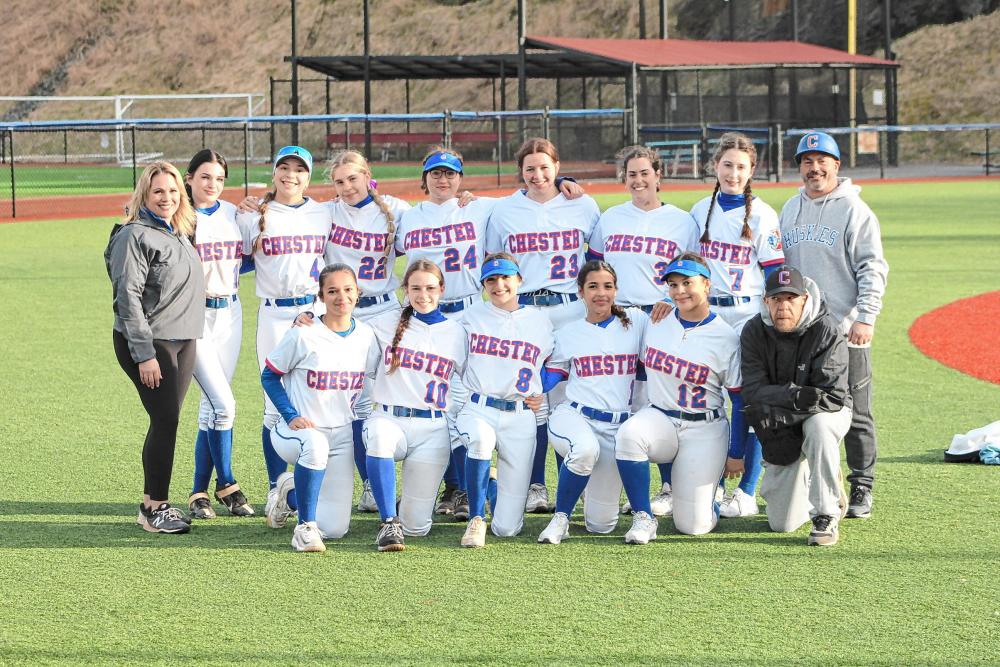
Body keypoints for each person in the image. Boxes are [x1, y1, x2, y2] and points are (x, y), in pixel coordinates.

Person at [485, 138, 600, 514]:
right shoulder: (504, 211)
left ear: (557, 166)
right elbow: (494, 261)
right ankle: (535, 485)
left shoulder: (582, 204)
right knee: (530, 401)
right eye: (530, 168)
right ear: (520, 171)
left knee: (573, 400)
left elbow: (596, 260)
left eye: (544, 167)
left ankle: (576, 478)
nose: (538, 175)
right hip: (527, 310)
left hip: (569, 308)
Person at [779, 131, 889, 519]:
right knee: (804, 409)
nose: (814, 168)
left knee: (857, 410)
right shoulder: (790, 209)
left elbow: (872, 267)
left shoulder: (854, 210)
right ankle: (814, 484)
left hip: (844, 329)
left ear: (836, 165)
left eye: (822, 160)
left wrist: (866, 316)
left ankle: (862, 484)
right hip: (800, 333)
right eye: (807, 161)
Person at [589, 144, 699, 518]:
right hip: (621, 317)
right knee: (623, 399)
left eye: (644, 173)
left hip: (659, 316)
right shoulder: (610, 219)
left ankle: (669, 487)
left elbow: (693, 274)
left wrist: (676, 300)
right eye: (631, 174)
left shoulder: (681, 221)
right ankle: (628, 487)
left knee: (662, 399)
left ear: (658, 175)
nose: (638, 180)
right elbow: (596, 269)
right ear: (624, 179)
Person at [614, 252, 746, 544]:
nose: (679, 290)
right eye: (673, 285)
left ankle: (708, 491)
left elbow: (738, 399)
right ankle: (643, 517)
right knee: (628, 435)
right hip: (660, 416)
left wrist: (736, 453)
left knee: (693, 526)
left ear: (707, 285)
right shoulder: (656, 320)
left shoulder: (725, 337)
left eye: (688, 283)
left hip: (704, 428)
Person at [690, 132, 786, 519]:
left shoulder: (763, 214)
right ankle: (709, 486)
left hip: (747, 313)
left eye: (741, 167)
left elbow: (775, 271)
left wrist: (772, 322)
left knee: (751, 401)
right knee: (710, 399)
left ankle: (747, 490)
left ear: (752, 171)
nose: (733, 173)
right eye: (727, 165)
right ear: (715, 166)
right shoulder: (700, 209)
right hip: (709, 313)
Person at [106, 161, 205, 534]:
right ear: (145, 194)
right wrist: (144, 353)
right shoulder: (134, 235)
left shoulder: (180, 231)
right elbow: (127, 298)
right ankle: (156, 508)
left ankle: (150, 504)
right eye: (158, 191)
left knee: (166, 421)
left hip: (183, 340)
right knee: (167, 419)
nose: (167, 197)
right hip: (152, 341)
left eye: (173, 190)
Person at [238, 145, 333, 512]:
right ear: (273, 171)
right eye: (284, 167)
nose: (291, 175)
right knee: (273, 407)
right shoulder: (253, 215)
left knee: (316, 399)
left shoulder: (323, 213)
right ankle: (277, 487)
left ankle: (313, 477)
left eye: (299, 169)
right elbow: (239, 260)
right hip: (274, 315)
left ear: (308, 176)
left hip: (313, 312)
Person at [261, 264, 381, 552]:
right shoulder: (303, 333)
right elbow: (269, 375)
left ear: (358, 292)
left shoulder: (366, 336)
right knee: (314, 444)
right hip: (296, 431)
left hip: (340, 435)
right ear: (321, 296)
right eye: (333, 291)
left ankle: (289, 493)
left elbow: (371, 383)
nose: (342, 297)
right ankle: (304, 528)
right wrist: (289, 416)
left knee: (335, 528)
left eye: (348, 289)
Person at [323, 149, 412, 514]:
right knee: (356, 400)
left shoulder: (397, 209)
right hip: (346, 314)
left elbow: (439, 222)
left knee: (398, 393)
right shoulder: (326, 211)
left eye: (353, 179)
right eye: (339, 181)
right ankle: (370, 486)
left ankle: (434, 483)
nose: (346, 187)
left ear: (367, 176)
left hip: (387, 310)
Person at [738, 265, 852, 546]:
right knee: (782, 524)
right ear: (766, 301)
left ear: (804, 299)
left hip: (827, 413)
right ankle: (819, 470)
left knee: (820, 426)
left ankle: (826, 513)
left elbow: (831, 395)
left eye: (791, 298)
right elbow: (752, 392)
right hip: (780, 421)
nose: (783, 306)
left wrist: (777, 397)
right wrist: (796, 396)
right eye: (776, 299)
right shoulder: (754, 330)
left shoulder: (826, 329)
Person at [536, 260, 648, 544]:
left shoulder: (636, 322)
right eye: (593, 286)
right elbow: (552, 377)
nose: (601, 293)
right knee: (584, 449)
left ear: (616, 290)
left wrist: (665, 308)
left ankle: (596, 510)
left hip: (617, 425)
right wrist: (531, 388)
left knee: (601, 525)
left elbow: (669, 325)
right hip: (575, 416)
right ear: (580, 292)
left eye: (607, 286)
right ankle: (560, 518)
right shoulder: (568, 333)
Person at [362, 260, 468, 552]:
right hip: (388, 418)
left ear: (442, 290)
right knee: (381, 440)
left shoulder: (457, 332)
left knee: (417, 528)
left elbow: (478, 378)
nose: (423, 295)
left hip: (433, 426)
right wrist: (309, 316)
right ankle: (387, 520)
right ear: (405, 290)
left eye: (430, 288)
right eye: (416, 288)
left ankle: (400, 507)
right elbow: (341, 328)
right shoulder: (384, 323)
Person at [457, 253, 555, 547]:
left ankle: (491, 486)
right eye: (491, 280)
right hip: (479, 408)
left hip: (520, 414)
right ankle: (476, 518)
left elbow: (556, 364)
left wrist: (541, 389)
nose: (499, 285)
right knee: (480, 441)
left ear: (519, 280)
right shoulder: (471, 317)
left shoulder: (540, 321)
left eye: (505, 277)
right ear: (483, 285)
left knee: (508, 529)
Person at [184, 149, 254, 519]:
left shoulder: (232, 213)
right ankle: (227, 482)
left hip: (231, 312)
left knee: (212, 408)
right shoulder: (179, 217)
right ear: (190, 177)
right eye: (206, 177)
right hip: (193, 318)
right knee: (223, 406)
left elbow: (249, 259)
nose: (212, 185)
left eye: (219, 179)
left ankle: (199, 493)